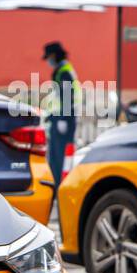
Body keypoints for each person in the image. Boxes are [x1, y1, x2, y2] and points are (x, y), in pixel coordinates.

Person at [42, 41, 80, 188]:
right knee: (59, 155)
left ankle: (59, 187)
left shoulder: (63, 71)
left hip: (64, 120)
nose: (48, 61)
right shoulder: (64, 69)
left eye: (49, 57)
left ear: (54, 55)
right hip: (60, 118)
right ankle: (59, 185)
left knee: (60, 157)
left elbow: (66, 96)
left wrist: (63, 118)